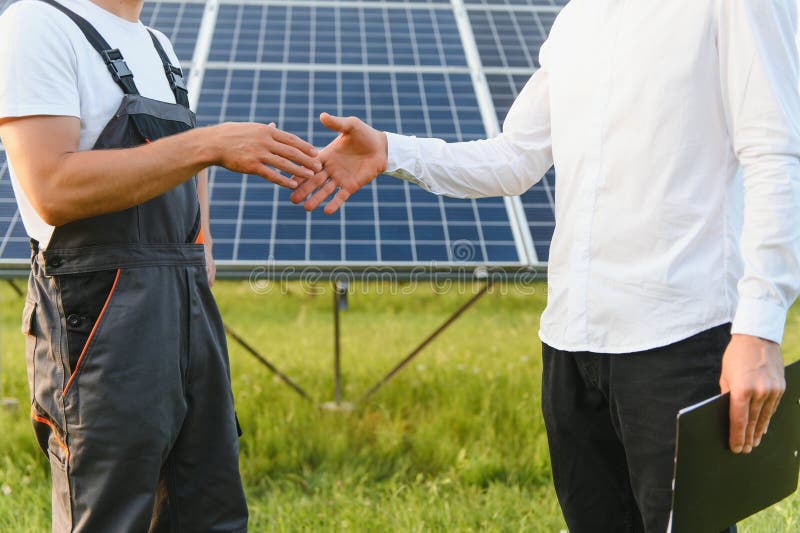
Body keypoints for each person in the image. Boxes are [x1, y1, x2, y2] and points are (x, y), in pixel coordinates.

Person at [292, 1, 800, 532]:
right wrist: (391, 151)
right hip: (570, 346)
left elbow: (775, 152)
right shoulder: (578, 18)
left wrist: (760, 330)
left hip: (676, 339)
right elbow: (514, 158)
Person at [0, 0, 320, 530]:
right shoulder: (38, 24)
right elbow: (51, 186)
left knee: (206, 506)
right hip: (100, 311)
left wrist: (202, 245)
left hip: (185, 300)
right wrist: (210, 142)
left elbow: (184, 159)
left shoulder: (157, 44)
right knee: (110, 512)